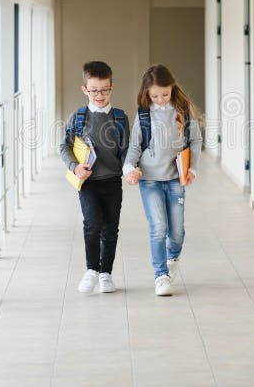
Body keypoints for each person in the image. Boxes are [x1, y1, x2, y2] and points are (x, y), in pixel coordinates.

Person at [123, 65, 202, 296]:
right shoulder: (144, 113)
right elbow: (136, 145)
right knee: (158, 227)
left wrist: (193, 169)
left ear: (172, 89)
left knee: (176, 232)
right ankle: (160, 276)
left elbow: (195, 141)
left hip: (176, 179)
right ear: (146, 93)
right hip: (150, 180)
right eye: (154, 95)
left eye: (164, 94)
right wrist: (129, 168)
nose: (159, 99)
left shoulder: (183, 110)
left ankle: (172, 259)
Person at [59, 61, 129, 294]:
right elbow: (64, 147)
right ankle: (92, 270)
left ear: (112, 87)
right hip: (87, 183)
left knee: (111, 228)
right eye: (94, 90)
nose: (100, 95)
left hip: (112, 182)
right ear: (85, 90)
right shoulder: (78, 117)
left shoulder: (119, 119)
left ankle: (106, 273)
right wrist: (74, 167)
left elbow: (126, 150)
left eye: (105, 89)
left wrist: (131, 168)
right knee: (92, 224)